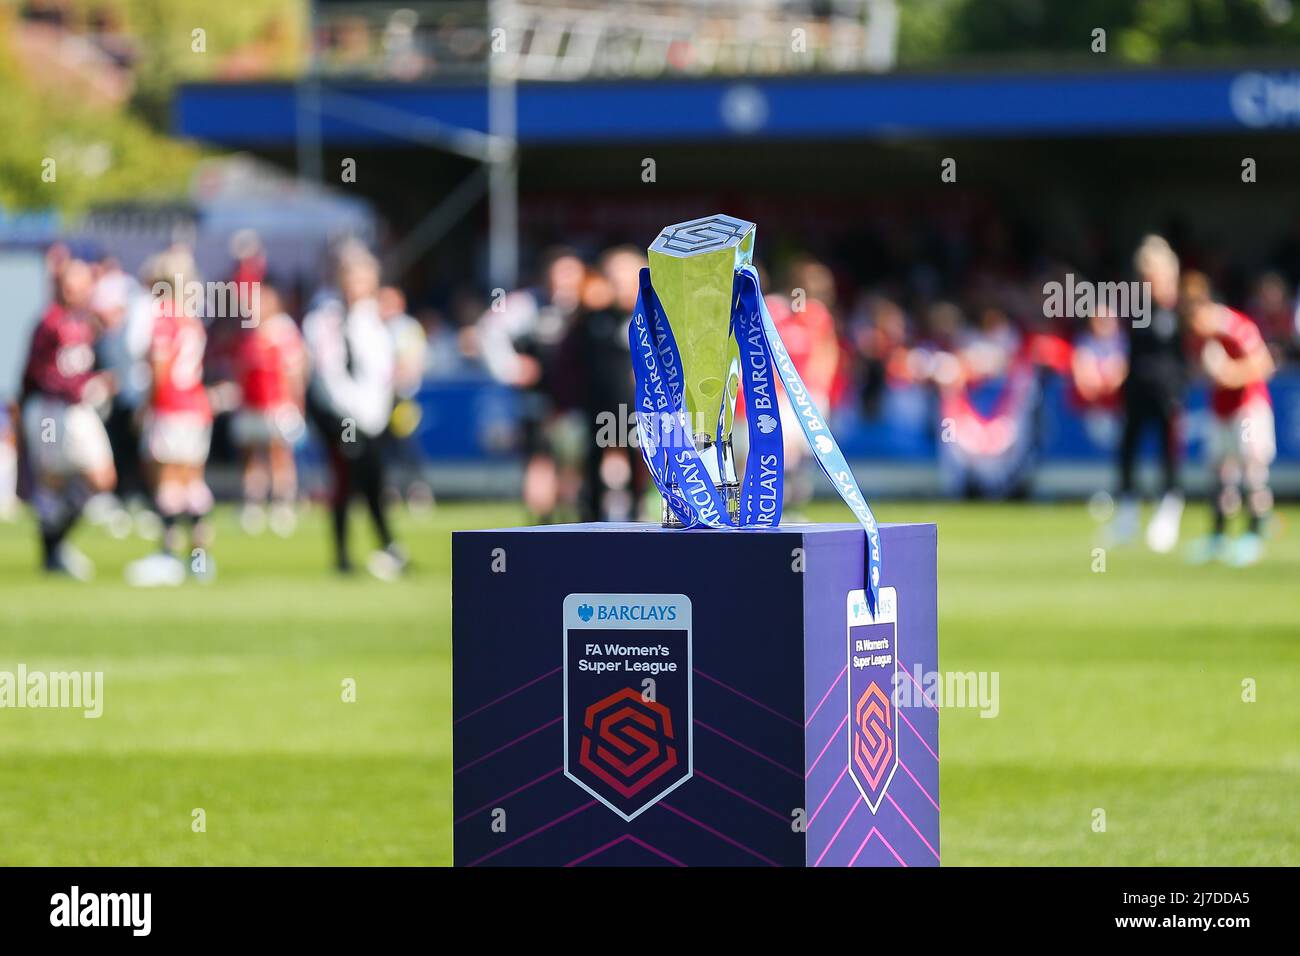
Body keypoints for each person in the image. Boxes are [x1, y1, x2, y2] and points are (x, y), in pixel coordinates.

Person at [303, 245, 405, 578]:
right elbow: (329, 375)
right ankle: (344, 554)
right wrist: (356, 414)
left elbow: (383, 371)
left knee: (374, 480)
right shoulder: (327, 319)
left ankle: (388, 546)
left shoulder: (376, 319)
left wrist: (378, 412)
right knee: (345, 481)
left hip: (374, 415)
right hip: (342, 416)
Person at [18, 258, 117, 578]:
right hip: (52, 411)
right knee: (53, 479)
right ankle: (52, 552)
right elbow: (40, 373)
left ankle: (56, 542)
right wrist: (83, 387)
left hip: (75, 409)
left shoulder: (83, 321)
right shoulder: (50, 322)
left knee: (101, 477)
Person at [125, 247, 218, 587]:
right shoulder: (188, 316)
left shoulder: (162, 316)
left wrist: (146, 406)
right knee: (192, 483)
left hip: (172, 408)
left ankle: (168, 556)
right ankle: (199, 559)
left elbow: (160, 370)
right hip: (196, 408)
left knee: (167, 483)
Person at [475, 247, 585, 522]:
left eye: (572, 274)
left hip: (582, 400)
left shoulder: (589, 304)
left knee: (579, 462)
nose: (565, 281)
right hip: (542, 401)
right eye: (560, 274)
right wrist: (510, 367)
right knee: (541, 458)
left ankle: (581, 520)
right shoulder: (527, 304)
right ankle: (541, 526)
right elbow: (489, 330)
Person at [1181, 273, 1277, 566]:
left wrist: (1232, 374)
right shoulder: (1198, 337)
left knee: (1251, 470)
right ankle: (1218, 536)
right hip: (1220, 410)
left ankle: (1254, 534)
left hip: (1248, 408)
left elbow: (1265, 363)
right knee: (1220, 473)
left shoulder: (1234, 326)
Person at [1111, 235, 1187, 553]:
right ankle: (1127, 512)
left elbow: (1187, 355)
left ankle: (1168, 511)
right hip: (1135, 388)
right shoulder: (1132, 306)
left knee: (1166, 453)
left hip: (1167, 391)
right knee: (1129, 449)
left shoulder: (1180, 308)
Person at [231, 284, 306, 536]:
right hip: (252, 406)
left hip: (278, 406)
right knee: (252, 457)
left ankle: (282, 505)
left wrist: (295, 403)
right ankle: (253, 503)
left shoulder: (284, 331)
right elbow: (241, 371)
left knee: (279, 455)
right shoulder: (249, 332)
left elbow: (294, 371)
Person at [378, 285, 432, 510]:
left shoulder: (407, 328)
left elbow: (412, 361)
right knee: (383, 448)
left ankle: (418, 489)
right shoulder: (375, 327)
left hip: (402, 396)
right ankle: (388, 490)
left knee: (406, 444)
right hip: (378, 398)